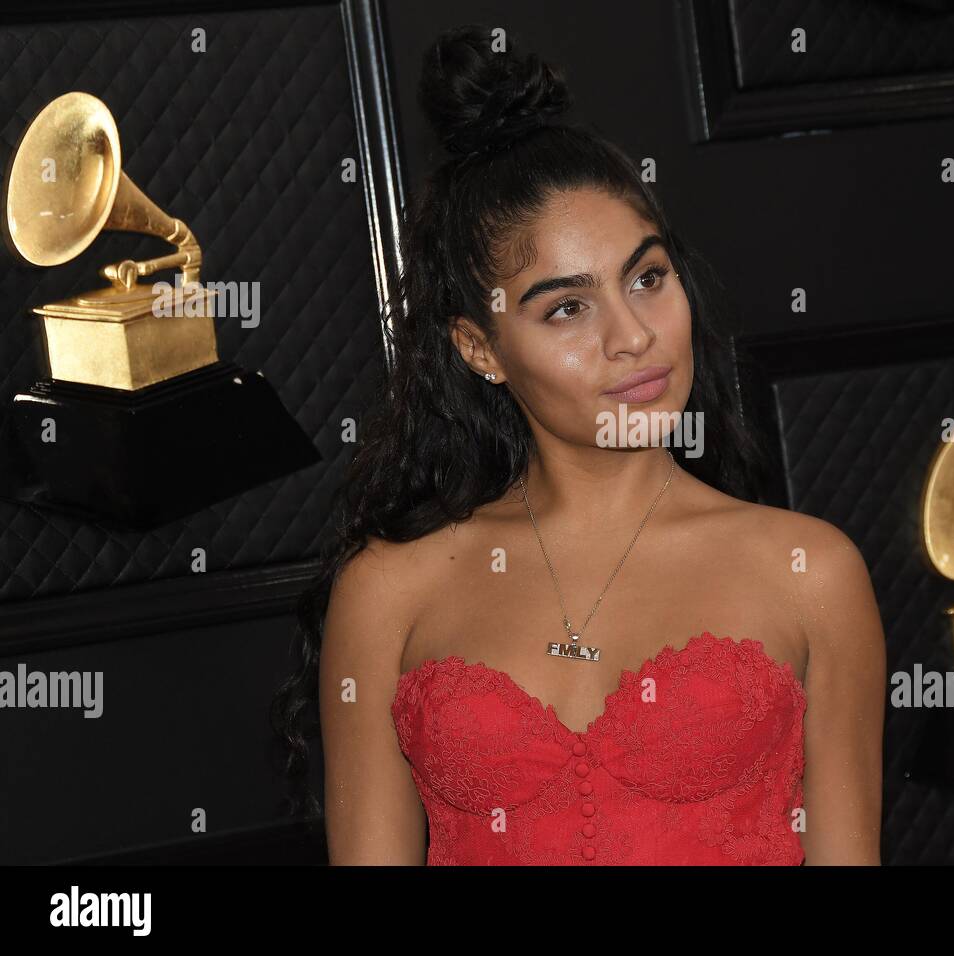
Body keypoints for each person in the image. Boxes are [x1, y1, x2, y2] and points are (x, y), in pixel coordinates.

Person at [271, 23, 885, 865]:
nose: (633, 336)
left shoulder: (811, 573)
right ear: (478, 348)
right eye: (567, 308)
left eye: (647, 278)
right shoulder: (389, 590)